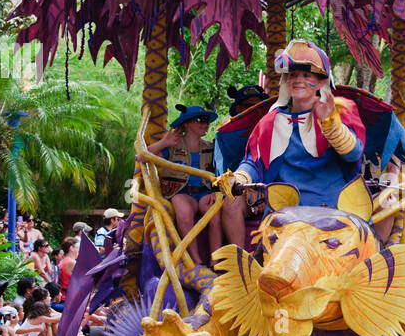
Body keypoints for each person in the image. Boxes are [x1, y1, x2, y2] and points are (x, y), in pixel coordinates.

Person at [220, 39, 365, 247]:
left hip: (333, 214)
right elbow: (253, 161)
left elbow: (353, 154)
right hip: (285, 215)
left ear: (321, 82)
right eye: (293, 75)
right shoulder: (270, 122)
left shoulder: (339, 112)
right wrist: (237, 178)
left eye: (307, 75)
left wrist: (330, 124)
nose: (298, 80)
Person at [149, 104, 223, 255]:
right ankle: (195, 260)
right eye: (200, 120)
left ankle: (216, 262)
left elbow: (221, 170)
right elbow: (142, 156)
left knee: (215, 214)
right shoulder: (172, 146)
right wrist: (164, 142)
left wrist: (215, 191)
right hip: (181, 192)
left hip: (204, 193)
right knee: (184, 213)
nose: (205, 124)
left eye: (207, 120)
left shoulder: (210, 147)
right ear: (187, 123)